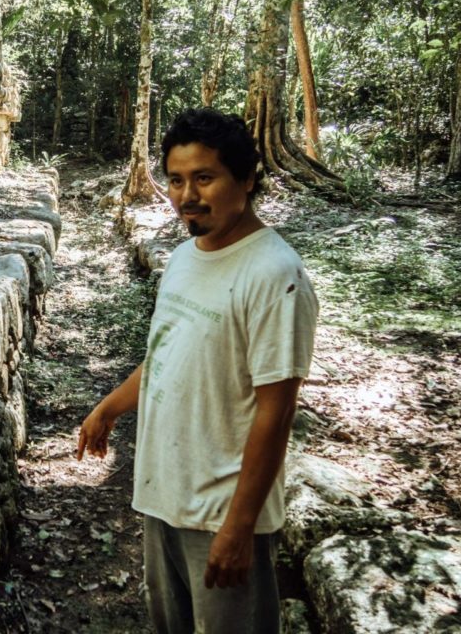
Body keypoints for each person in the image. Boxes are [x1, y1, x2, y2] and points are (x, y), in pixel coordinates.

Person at [76, 107, 318, 634]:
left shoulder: (275, 274)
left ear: (247, 179)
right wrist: (109, 408)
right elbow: (168, 354)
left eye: (205, 178)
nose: (187, 195)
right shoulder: (186, 256)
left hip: (221, 511)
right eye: (176, 179)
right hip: (164, 492)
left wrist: (239, 527)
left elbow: (276, 413)